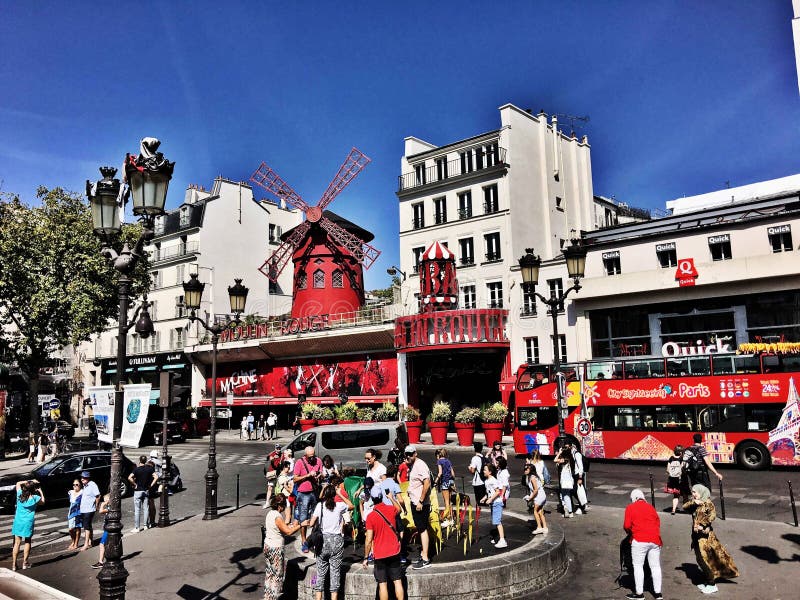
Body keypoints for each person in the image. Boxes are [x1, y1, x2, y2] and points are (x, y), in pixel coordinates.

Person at [683, 484, 739, 595]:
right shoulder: (695, 503)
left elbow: (712, 516)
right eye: (692, 492)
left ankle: (712, 584)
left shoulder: (708, 504)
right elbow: (685, 507)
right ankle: (707, 581)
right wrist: (694, 502)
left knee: (704, 560)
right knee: (700, 559)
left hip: (704, 539)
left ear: (701, 492)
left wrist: (704, 526)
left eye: (695, 492)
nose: (693, 494)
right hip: (696, 537)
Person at [307, 482, 354, 600]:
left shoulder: (320, 506)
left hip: (322, 540)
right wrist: (340, 494)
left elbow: (312, 523)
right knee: (335, 574)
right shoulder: (339, 506)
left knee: (320, 573)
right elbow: (351, 505)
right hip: (336, 540)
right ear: (334, 495)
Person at [363, 485, 405, 600]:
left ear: (372, 499)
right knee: (397, 581)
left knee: (382, 584)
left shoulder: (370, 517)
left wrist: (366, 557)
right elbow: (399, 509)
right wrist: (391, 497)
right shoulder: (391, 509)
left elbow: (368, 540)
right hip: (394, 551)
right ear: (382, 497)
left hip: (380, 554)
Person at [623, 489, 664, 600]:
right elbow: (657, 523)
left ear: (634, 498)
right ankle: (658, 593)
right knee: (655, 566)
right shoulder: (651, 507)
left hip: (639, 539)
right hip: (655, 540)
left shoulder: (630, 507)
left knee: (638, 566)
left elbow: (626, 525)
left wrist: (631, 533)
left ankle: (639, 593)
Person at [263, 493, 305, 600]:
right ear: (280, 506)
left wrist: (290, 523)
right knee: (277, 575)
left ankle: (268, 597)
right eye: (284, 506)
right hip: (275, 548)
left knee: (269, 573)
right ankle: (274, 597)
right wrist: (301, 525)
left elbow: (280, 528)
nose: (284, 509)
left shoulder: (270, 513)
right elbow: (288, 532)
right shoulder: (277, 516)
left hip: (267, 545)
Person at [405, 445, 432, 569]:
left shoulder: (420, 465)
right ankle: (423, 554)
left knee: (422, 529)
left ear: (415, 453)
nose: (408, 456)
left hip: (420, 503)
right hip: (416, 502)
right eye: (407, 454)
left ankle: (426, 558)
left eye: (410, 454)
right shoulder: (414, 465)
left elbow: (427, 482)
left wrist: (421, 500)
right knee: (421, 528)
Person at [293, 445, 322, 553]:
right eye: (309, 457)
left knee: (316, 517)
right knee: (303, 518)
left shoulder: (318, 461)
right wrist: (308, 475)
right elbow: (295, 478)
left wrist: (318, 476)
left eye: (313, 456)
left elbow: (321, 473)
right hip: (303, 494)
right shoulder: (299, 463)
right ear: (305, 455)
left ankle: (314, 538)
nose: (312, 458)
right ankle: (304, 541)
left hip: (315, 492)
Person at [10, 479, 44, 570]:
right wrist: (40, 491)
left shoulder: (19, 494)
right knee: (27, 541)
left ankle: (14, 565)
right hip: (28, 522)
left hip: (18, 521)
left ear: (24, 488)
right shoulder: (35, 498)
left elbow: (17, 483)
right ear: (33, 489)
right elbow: (43, 502)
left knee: (17, 543)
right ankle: (25, 563)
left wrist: (29, 481)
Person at [128, 455, 158, 533]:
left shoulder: (136, 469)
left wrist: (135, 484)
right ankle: (145, 525)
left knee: (137, 510)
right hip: (146, 490)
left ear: (139, 460)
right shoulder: (150, 469)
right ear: (145, 461)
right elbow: (156, 477)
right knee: (146, 509)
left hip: (138, 491)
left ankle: (137, 527)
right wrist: (151, 485)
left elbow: (129, 477)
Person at [480, 463, 507, 548]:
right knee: (495, 521)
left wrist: (491, 499)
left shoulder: (493, 480)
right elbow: (489, 492)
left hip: (497, 503)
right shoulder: (487, 481)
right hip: (493, 503)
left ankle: (503, 540)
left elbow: (498, 491)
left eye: (485, 470)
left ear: (490, 472)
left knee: (497, 522)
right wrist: (484, 498)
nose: (483, 471)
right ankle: (498, 537)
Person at [79, 470, 101, 551]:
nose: (82, 479)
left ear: (88, 478)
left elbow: (98, 495)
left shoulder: (92, 484)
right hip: (84, 510)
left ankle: (86, 544)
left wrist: (96, 506)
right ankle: (91, 542)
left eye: (84, 477)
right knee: (88, 526)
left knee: (86, 527)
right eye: (81, 477)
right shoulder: (85, 485)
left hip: (89, 510)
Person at [523, 463, 548, 535]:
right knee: (540, 512)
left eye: (526, 469)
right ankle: (545, 527)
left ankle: (539, 527)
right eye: (524, 469)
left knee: (535, 511)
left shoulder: (532, 478)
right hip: (542, 495)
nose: (524, 470)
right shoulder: (532, 476)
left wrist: (530, 498)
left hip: (539, 496)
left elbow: (535, 490)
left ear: (530, 470)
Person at [436, 448, 456, 526]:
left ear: (439, 455)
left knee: (446, 502)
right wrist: (453, 483)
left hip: (444, 482)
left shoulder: (439, 461)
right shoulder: (448, 461)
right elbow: (453, 474)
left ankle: (447, 519)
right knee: (450, 501)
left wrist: (436, 481)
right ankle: (451, 518)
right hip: (450, 481)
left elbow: (440, 473)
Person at [554, 444, 575, 518]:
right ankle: (569, 511)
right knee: (567, 495)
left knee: (565, 496)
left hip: (565, 480)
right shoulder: (570, 459)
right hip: (569, 479)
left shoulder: (564, 460)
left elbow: (555, 460)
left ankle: (570, 511)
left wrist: (559, 453)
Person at [91, 493, 110, 569]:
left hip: (108, 530)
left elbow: (100, 511)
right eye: (104, 500)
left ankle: (101, 562)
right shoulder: (109, 507)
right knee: (106, 544)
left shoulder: (110, 508)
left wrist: (102, 504)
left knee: (102, 544)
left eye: (106, 500)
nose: (104, 502)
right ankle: (105, 559)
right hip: (107, 528)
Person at [570, 443, 589, 514]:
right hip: (575, 475)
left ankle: (582, 507)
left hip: (578, 475)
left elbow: (580, 466)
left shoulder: (577, 454)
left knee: (579, 491)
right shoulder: (572, 454)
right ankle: (583, 505)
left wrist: (580, 478)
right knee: (576, 491)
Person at [665, 445, 684, 514]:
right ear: (681, 452)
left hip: (672, 479)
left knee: (675, 495)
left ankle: (673, 509)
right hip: (679, 479)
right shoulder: (682, 458)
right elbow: (682, 469)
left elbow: (667, 470)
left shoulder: (671, 458)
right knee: (685, 494)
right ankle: (687, 509)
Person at [67, 478, 83, 549]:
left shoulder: (82, 492)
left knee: (77, 528)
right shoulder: (70, 492)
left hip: (78, 512)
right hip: (71, 512)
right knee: (70, 529)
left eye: (77, 484)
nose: (75, 486)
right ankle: (73, 541)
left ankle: (76, 543)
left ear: (80, 485)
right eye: (74, 485)